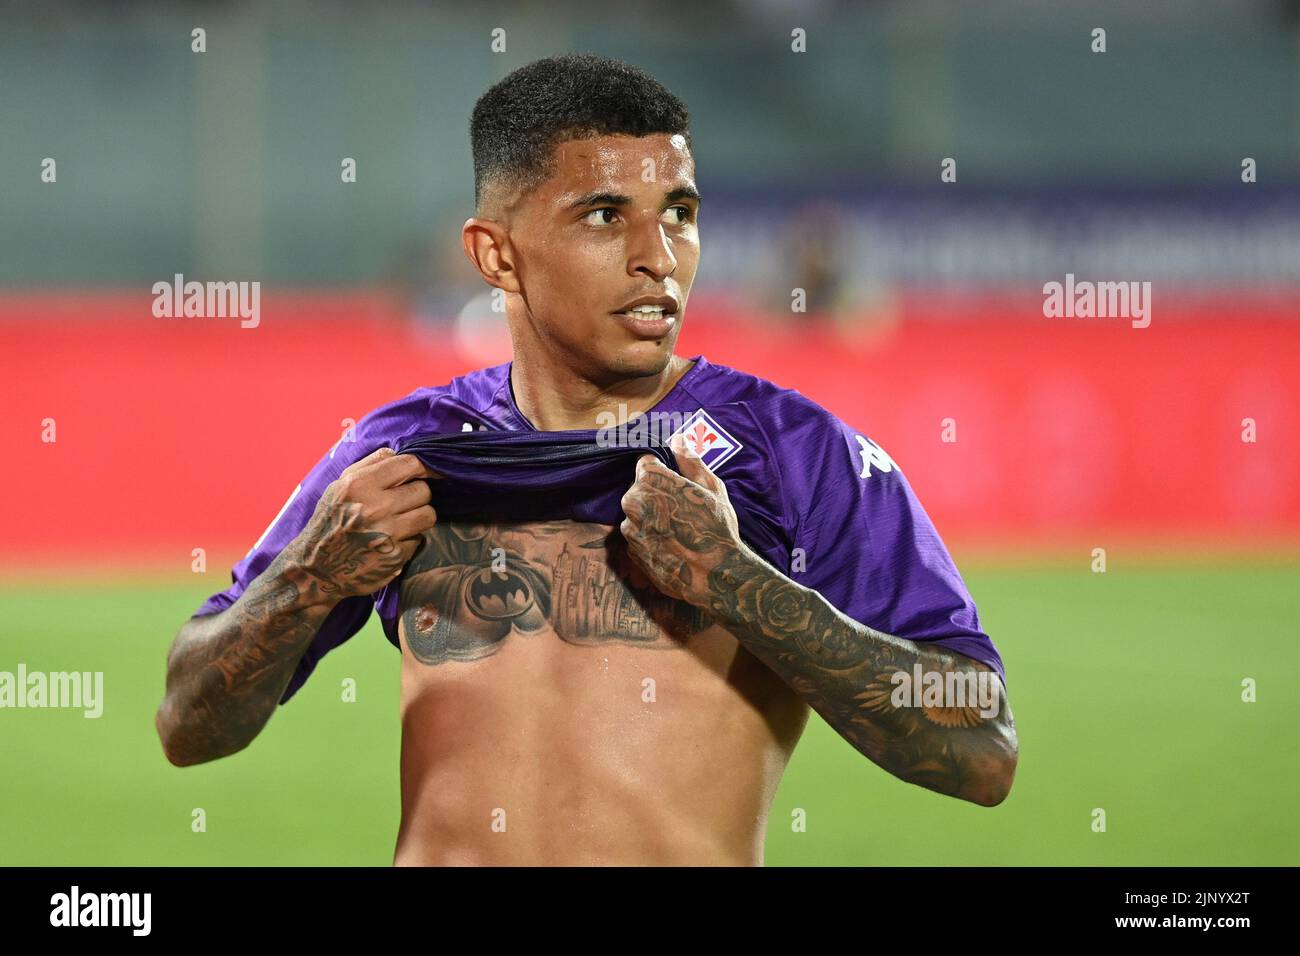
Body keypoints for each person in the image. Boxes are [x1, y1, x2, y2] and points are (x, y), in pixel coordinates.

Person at [155, 53, 1018, 866]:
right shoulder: (401, 448)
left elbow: (983, 752)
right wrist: (310, 575)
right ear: (497, 255)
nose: (659, 258)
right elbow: (189, 727)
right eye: (606, 216)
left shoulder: (793, 452)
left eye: (679, 213)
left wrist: (739, 585)